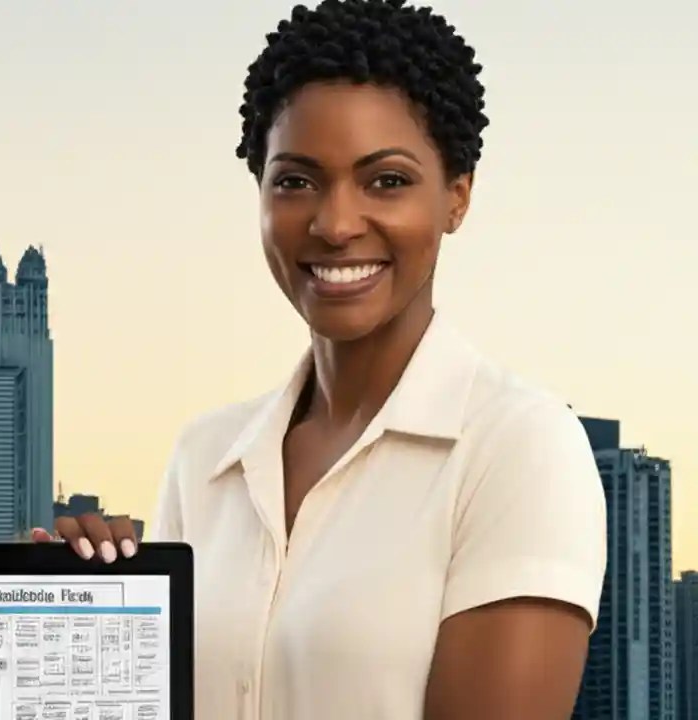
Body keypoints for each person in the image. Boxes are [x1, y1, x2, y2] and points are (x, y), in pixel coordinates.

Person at [32, 0, 608, 717]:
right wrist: (70, 625)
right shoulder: (203, 459)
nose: (335, 224)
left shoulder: (519, 448)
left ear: (456, 197)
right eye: (296, 181)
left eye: (387, 181)